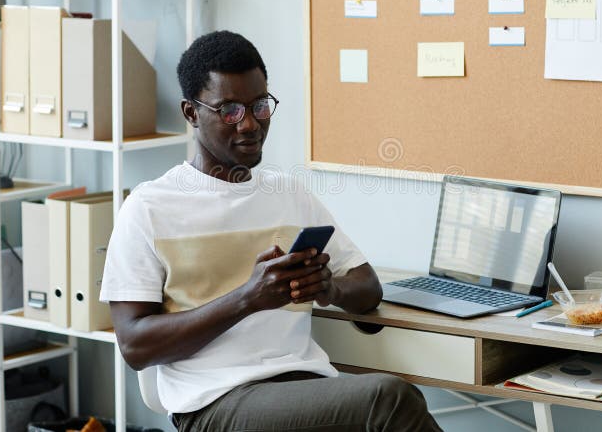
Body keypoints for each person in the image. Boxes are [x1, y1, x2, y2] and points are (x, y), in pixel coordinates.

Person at [100, 31, 442, 431]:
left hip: (303, 385)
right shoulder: (149, 207)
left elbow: (368, 287)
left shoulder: (289, 195)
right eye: (229, 110)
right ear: (191, 113)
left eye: (260, 106)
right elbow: (134, 345)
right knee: (388, 400)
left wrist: (328, 289)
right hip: (214, 403)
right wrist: (248, 298)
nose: (250, 124)